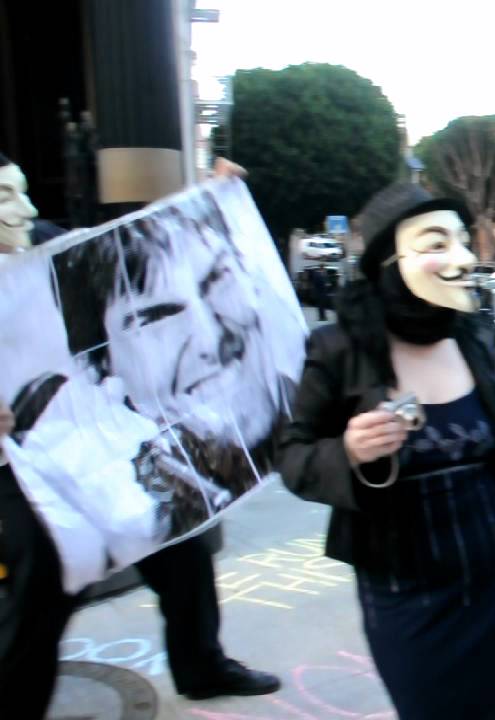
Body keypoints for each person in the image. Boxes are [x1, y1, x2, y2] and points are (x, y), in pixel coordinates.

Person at [277, 182, 495, 719]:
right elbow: (291, 455)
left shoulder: (473, 339)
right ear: (388, 263)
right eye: (436, 243)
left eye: (463, 241)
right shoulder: (338, 349)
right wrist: (348, 451)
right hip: (407, 587)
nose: (463, 258)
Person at [0, 153, 283, 716]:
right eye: (6, 198)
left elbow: (134, 245)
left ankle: (201, 665)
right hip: (18, 467)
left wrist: (208, 202)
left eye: (24, 191)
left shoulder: (52, 249)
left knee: (183, 544)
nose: (26, 209)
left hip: (97, 435)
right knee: (42, 583)